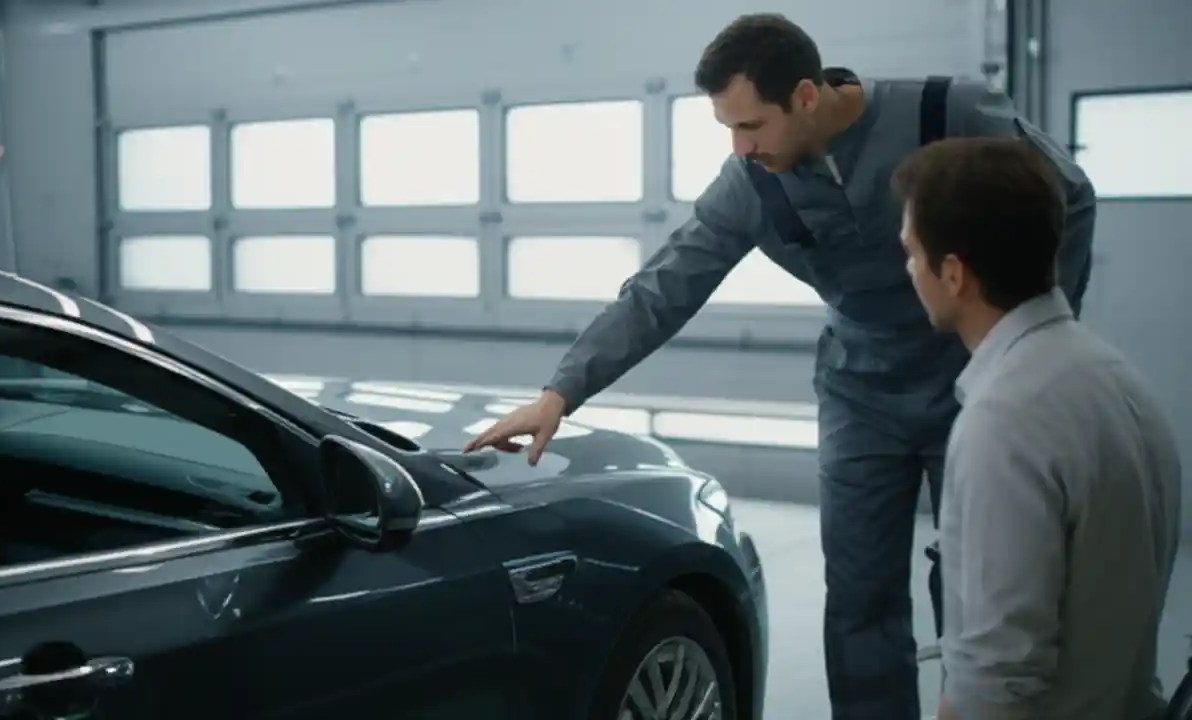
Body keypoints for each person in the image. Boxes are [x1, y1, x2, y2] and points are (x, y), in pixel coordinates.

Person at [464, 13, 1096, 718]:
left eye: (751, 126)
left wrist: (1024, 351)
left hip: (974, 389)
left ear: (804, 96)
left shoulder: (951, 114)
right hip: (861, 395)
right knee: (859, 598)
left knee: (980, 585)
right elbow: (664, 286)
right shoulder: (750, 182)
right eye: (728, 130)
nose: (741, 147)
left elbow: (1070, 198)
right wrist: (561, 392)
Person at [892, 136, 1182, 720]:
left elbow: (995, 679)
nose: (907, 269)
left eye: (911, 252)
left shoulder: (1005, 420)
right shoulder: (1115, 377)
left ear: (952, 273)